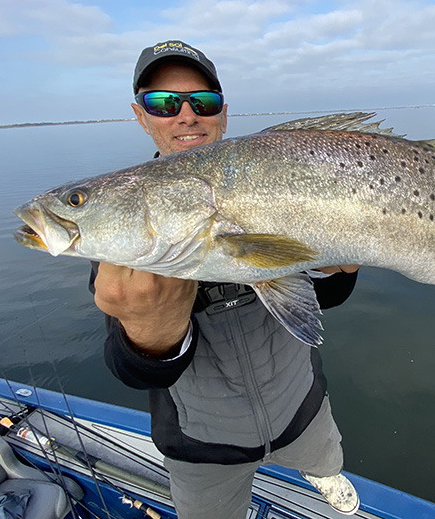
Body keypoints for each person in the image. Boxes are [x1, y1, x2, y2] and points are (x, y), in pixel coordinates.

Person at [89, 40, 361, 518]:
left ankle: (323, 473)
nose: (186, 115)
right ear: (141, 115)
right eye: (164, 102)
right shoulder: (127, 231)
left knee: (324, 456)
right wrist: (151, 334)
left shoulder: (284, 178)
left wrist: (342, 267)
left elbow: (322, 294)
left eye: (203, 101)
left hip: (301, 408)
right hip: (202, 443)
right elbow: (130, 370)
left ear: (223, 112)